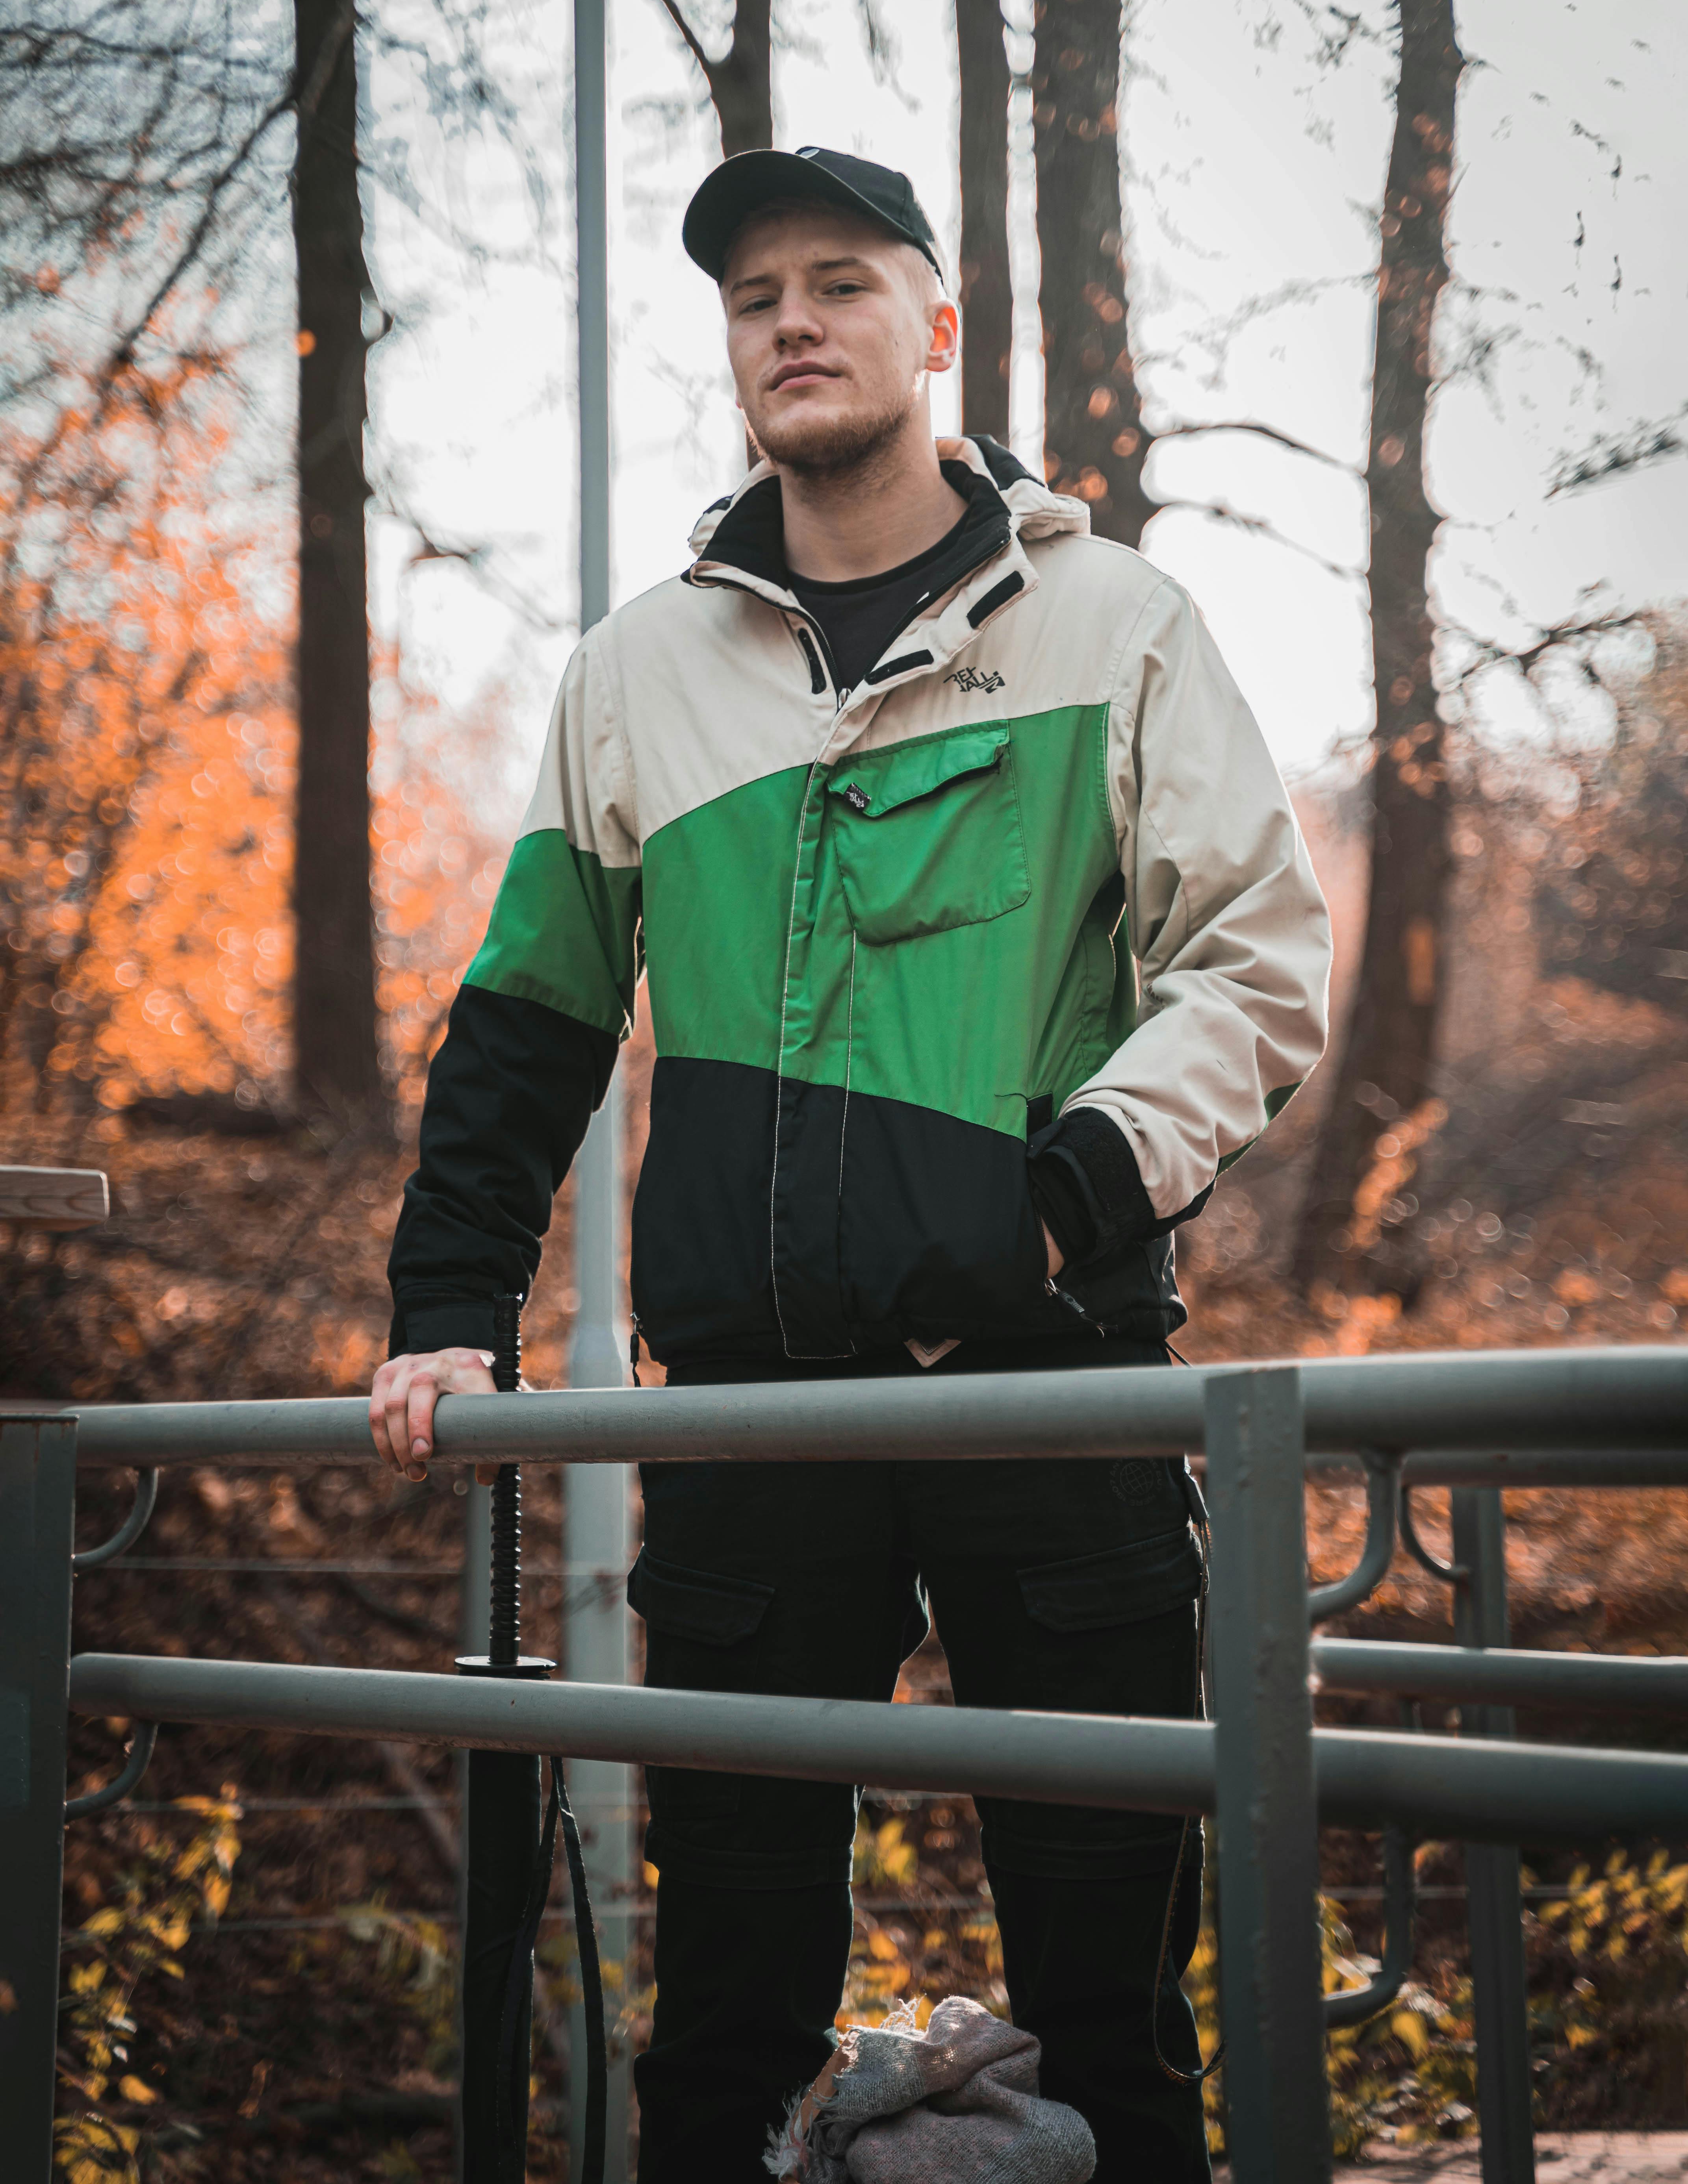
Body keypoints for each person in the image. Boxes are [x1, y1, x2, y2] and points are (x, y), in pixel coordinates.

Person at [367, 145, 1332, 2182]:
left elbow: (1256, 962)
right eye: (751, 298)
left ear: (938, 326)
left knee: (1118, 2037)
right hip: (756, 1425)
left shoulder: (1116, 621)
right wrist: (449, 1311)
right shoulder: (637, 672)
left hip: (1052, 1404)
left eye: (837, 281)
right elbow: (533, 1018)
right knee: (720, 2034)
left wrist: (1076, 1182)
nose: (790, 321)